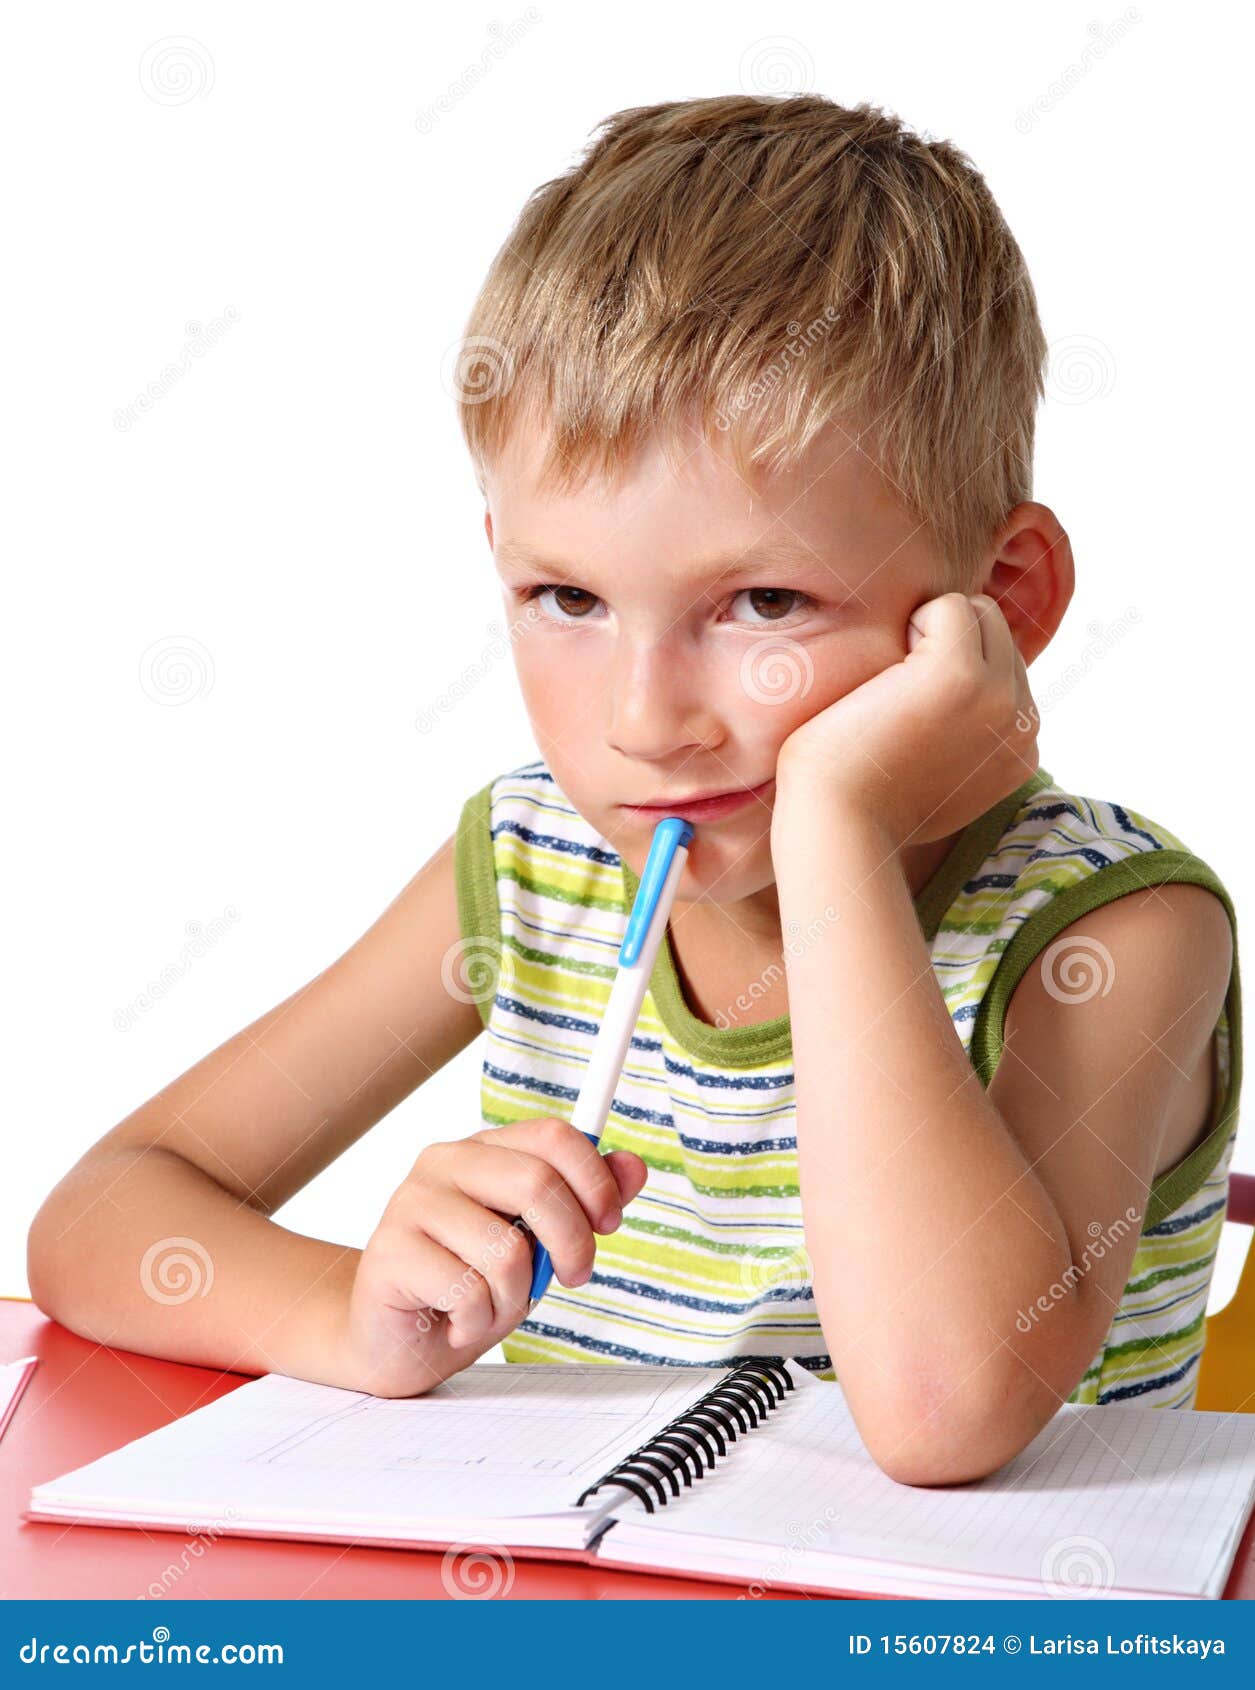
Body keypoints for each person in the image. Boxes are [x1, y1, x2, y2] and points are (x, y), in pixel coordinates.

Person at [28, 95, 1240, 1487]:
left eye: (762, 601)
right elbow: (101, 1215)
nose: (641, 719)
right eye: (568, 596)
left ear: (1000, 602)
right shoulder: (540, 864)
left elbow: (942, 1410)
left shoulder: (1113, 934)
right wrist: (347, 1310)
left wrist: (832, 825)